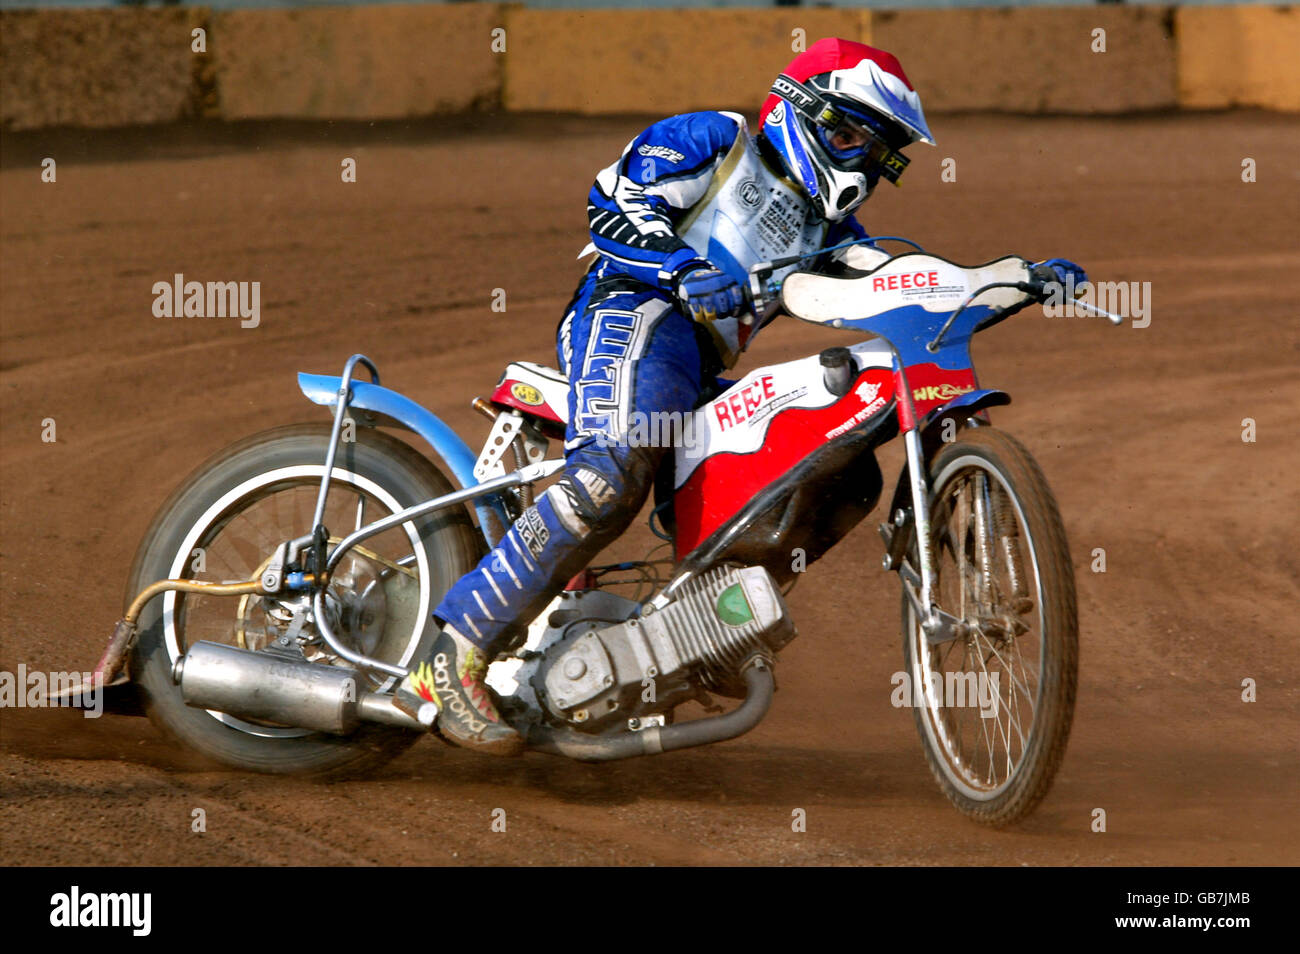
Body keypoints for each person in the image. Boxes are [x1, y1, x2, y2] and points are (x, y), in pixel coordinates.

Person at [392, 38, 1085, 754]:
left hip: (696, 367)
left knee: (836, 467)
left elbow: (903, 279)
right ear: (798, 112)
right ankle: (453, 655)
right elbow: (614, 204)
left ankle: (697, 633)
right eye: (846, 137)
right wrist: (682, 266)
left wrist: (1009, 279)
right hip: (632, 313)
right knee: (607, 478)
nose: (857, 166)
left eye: (874, 155)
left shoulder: (833, 235)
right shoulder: (718, 139)